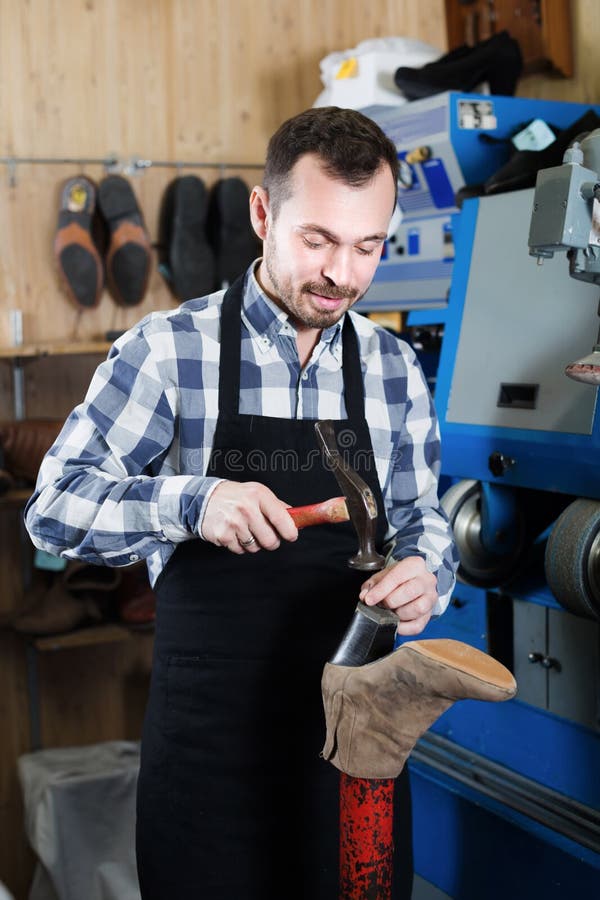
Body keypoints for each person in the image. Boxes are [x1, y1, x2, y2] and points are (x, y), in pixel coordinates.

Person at [25, 106, 458, 900]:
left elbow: (421, 514)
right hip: (208, 759)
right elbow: (52, 508)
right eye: (318, 240)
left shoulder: (394, 368)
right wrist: (191, 500)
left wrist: (428, 569)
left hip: (356, 744)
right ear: (264, 214)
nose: (343, 275)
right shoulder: (167, 351)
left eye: (369, 247)